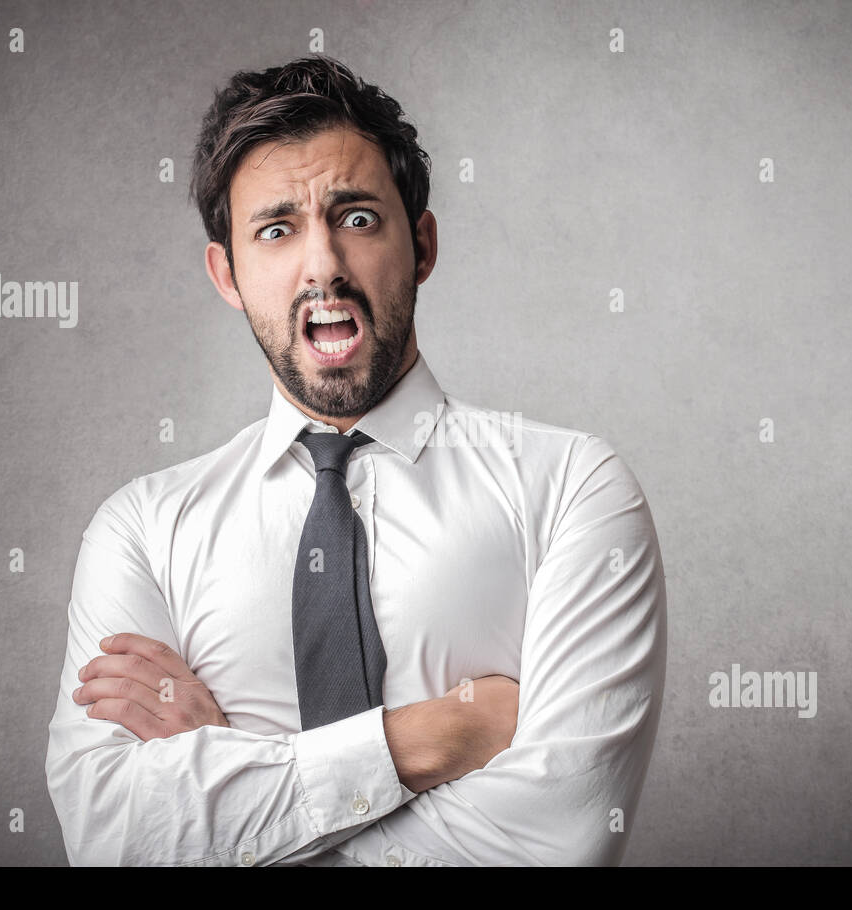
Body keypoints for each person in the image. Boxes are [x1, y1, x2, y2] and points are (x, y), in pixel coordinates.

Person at [44, 55, 668, 866]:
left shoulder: (572, 490)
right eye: (276, 230)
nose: (323, 266)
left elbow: (556, 843)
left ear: (425, 243)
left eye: (359, 218)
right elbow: (112, 840)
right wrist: (433, 737)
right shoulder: (143, 531)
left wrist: (231, 778)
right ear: (226, 274)